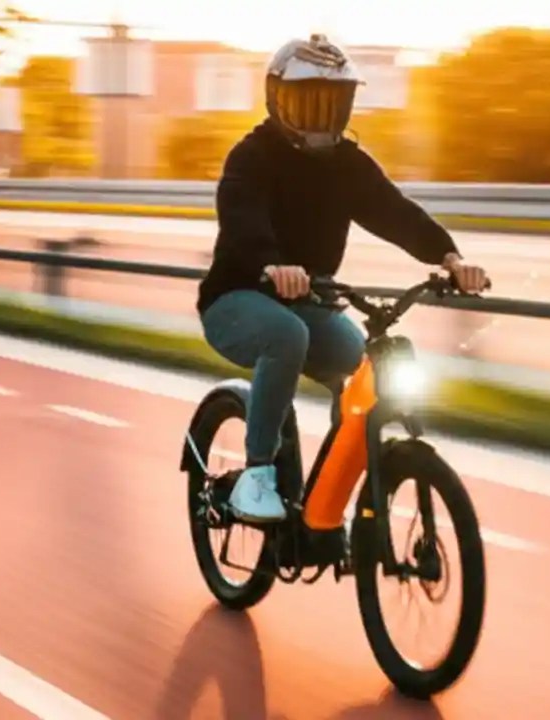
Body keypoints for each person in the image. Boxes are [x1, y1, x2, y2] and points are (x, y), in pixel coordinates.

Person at [196, 33, 490, 523]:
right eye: (306, 99)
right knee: (285, 334)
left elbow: (396, 213)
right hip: (237, 298)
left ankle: (332, 498)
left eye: (330, 102)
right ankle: (257, 475)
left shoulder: (348, 165)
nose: (319, 114)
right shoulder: (251, 157)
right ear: (276, 98)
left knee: (364, 368)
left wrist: (449, 258)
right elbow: (241, 218)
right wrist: (272, 263)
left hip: (308, 300)